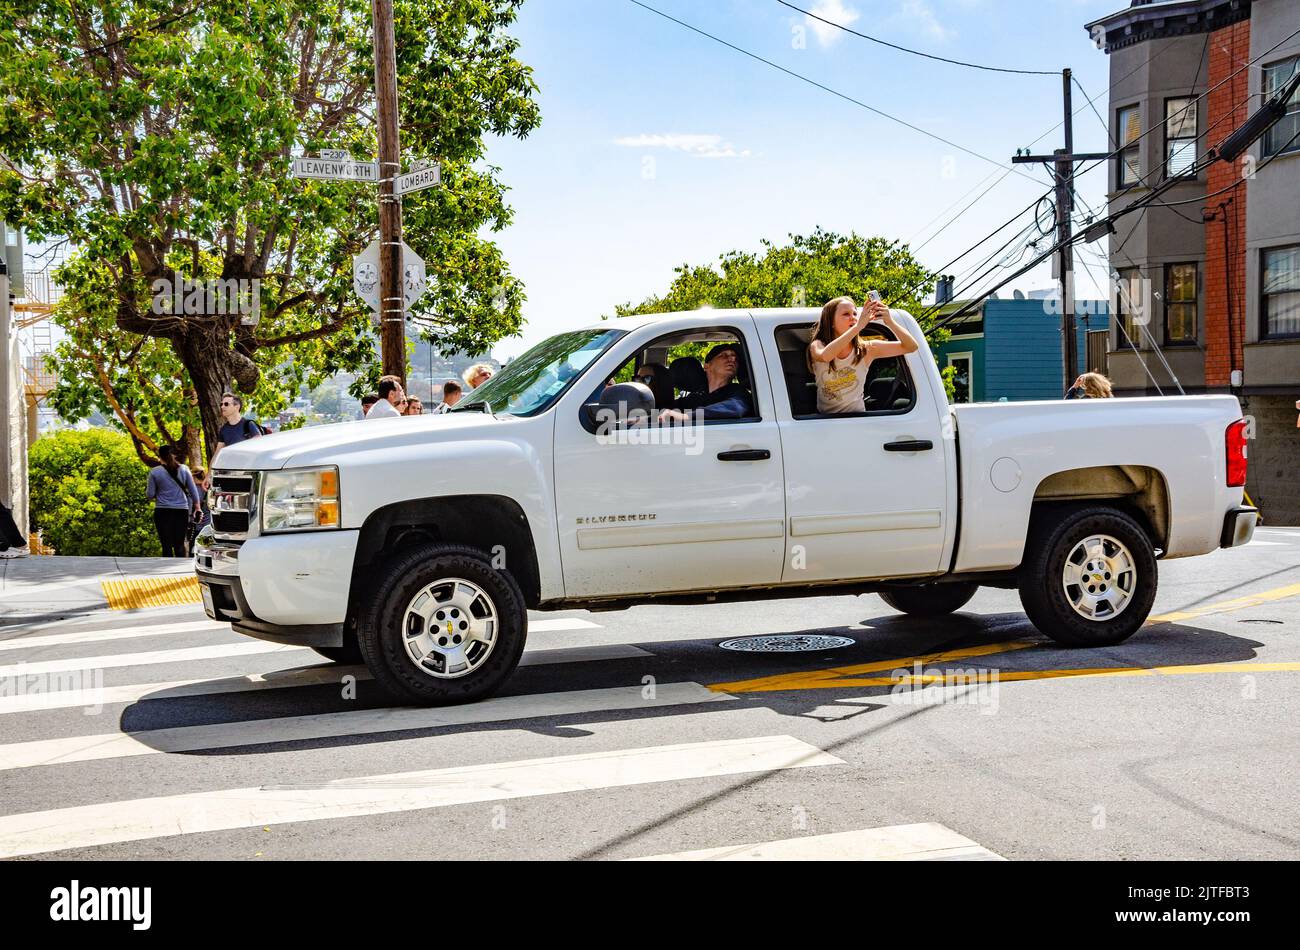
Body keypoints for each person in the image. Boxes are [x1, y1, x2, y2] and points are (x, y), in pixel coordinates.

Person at [808, 296, 920, 414]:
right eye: (846, 314)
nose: (853, 318)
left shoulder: (866, 349)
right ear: (830, 322)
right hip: (824, 422)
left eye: (855, 314)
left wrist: (890, 322)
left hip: (858, 419)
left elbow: (911, 346)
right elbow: (826, 356)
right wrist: (858, 327)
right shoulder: (817, 345)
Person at [661, 343, 753, 422]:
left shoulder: (739, 393)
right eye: (724, 355)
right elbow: (665, 410)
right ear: (707, 366)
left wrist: (686, 416)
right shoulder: (694, 398)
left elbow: (736, 408)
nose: (733, 359)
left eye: (736, 359)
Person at [146, 445, 202, 558]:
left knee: (166, 545)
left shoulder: (155, 472)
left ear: (160, 457)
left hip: (162, 511)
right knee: (179, 545)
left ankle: (166, 573)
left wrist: (159, 491)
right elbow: (193, 491)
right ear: (174, 455)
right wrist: (198, 508)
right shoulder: (184, 469)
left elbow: (150, 494)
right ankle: (179, 570)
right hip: (181, 511)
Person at [213, 392, 263, 459]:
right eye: (221, 404)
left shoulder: (249, 425)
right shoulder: (223, 430)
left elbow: (260, 448)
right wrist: (210, 469)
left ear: (237, 407)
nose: (222, 407)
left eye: (226, 404)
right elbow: (217, 454)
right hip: (231, 468)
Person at [187, 468, 212, 552]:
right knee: (205, 550)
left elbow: (190, 508)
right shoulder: (209, 489)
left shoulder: (193, 490)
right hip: (208, 526)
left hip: (196, 526)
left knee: (194, 551)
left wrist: (188, 520)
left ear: (193, 477)